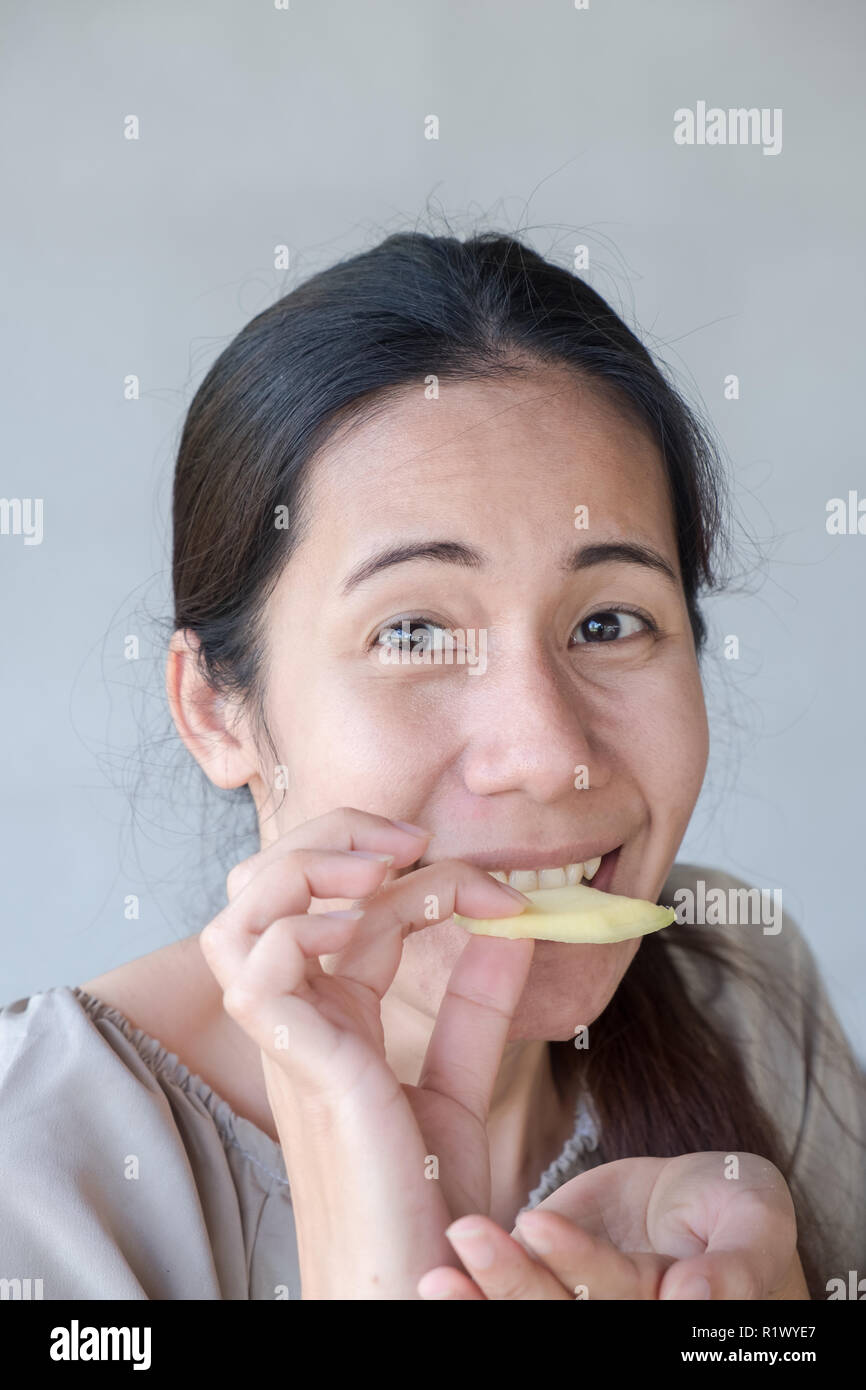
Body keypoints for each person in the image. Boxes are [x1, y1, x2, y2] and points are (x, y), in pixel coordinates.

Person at [1, 231, 863, 1300]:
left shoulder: (738, 988)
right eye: (412, 634)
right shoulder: (35, 1172)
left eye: (607, 622)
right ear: (216, 711)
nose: (546, 756)